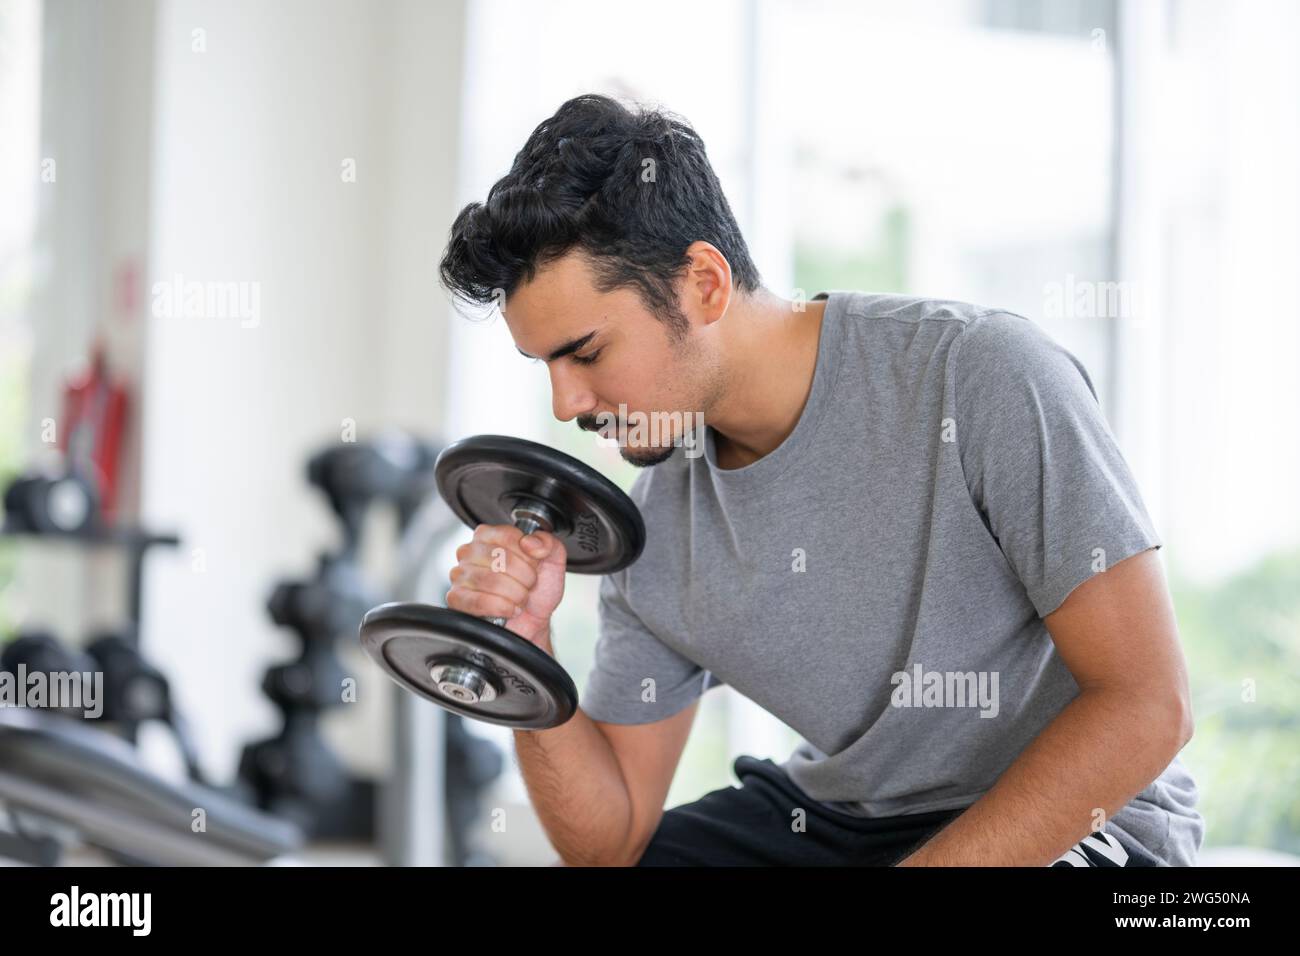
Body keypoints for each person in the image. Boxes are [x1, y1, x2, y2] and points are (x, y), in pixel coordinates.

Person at [437, 93, 1203, 867]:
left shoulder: (981, 376)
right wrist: (521, 644)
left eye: (588, 353)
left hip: (1084, 825)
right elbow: (610, 841)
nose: (566, 404)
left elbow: (1149, 706)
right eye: (548, 368)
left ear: (703, 282)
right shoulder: (660, 526)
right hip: (845, 821)